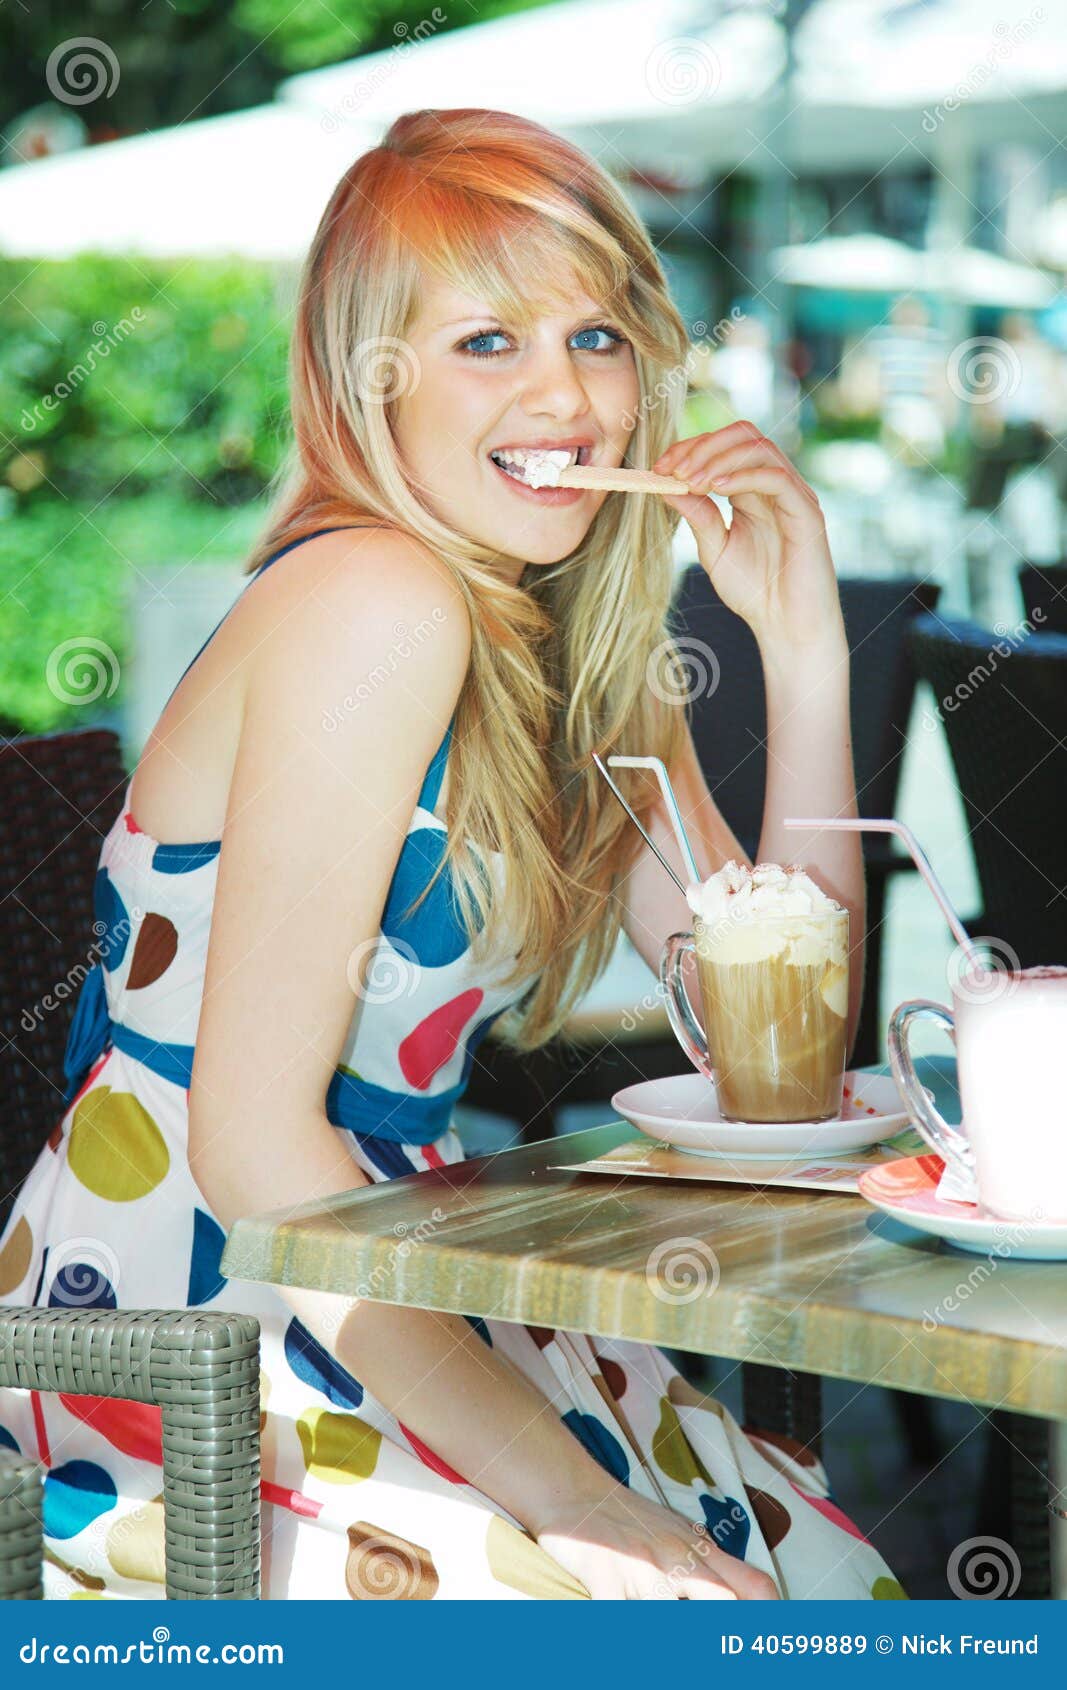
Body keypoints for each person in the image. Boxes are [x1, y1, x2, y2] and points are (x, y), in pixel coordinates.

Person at [0, 108, 902, 1602]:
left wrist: (803, 655)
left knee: (808, 1591)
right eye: (489, 341)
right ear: (372, 384)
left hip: (408, 1264)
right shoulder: (375, 601)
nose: (568, 395)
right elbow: (254, 1154)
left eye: (598, 337)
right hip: (198, 1323)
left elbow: (777, 1064)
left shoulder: (577, 647)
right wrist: (575, 1500)